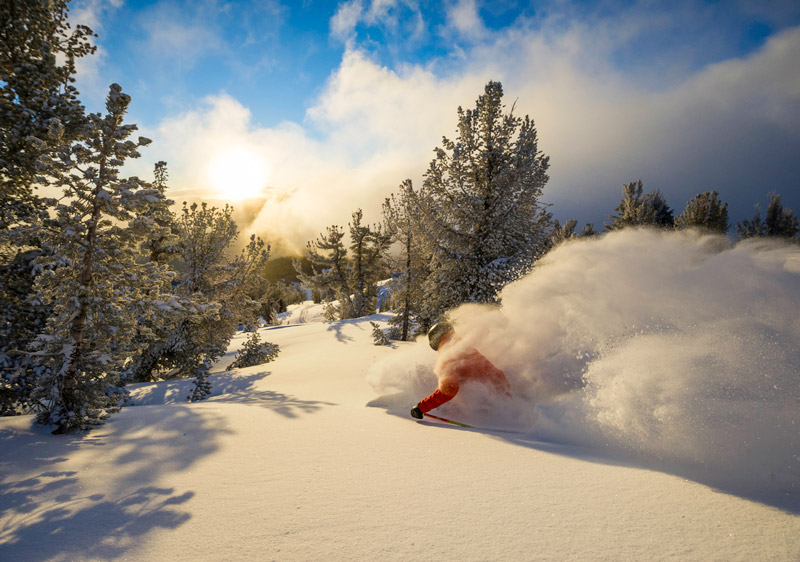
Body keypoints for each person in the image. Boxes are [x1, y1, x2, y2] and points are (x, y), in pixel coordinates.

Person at [410, 321, 511, 419]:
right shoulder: (462, 347)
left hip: (490, 400)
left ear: (436, 340)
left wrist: (421, 408)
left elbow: (449, 390)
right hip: (500, 389)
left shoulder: (449, 356)